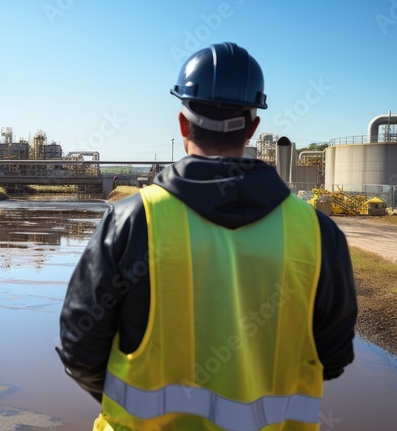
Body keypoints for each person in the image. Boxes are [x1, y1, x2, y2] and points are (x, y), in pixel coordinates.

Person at [56, 42, 357, 430]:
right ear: (253, 127)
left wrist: (126, 397)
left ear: (183, 124)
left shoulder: (133, 221)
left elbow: (79, 347)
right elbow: (333, 356)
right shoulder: (318, 234)